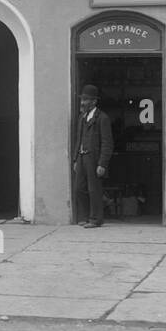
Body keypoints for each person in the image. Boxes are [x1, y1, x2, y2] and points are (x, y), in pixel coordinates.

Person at [72, 84, 113, 229]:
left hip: (94, 159)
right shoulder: (82, 118)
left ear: (94, 102)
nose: (83, 102)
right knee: (78, 188)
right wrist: (76, 159)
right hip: (82, 158)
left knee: (94, 189)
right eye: (82, 99)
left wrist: (102, 163)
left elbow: (107, 143)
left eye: (86, 100)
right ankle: (84, 217)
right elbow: (79, 139)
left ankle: (95, 219)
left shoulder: (102, 118)